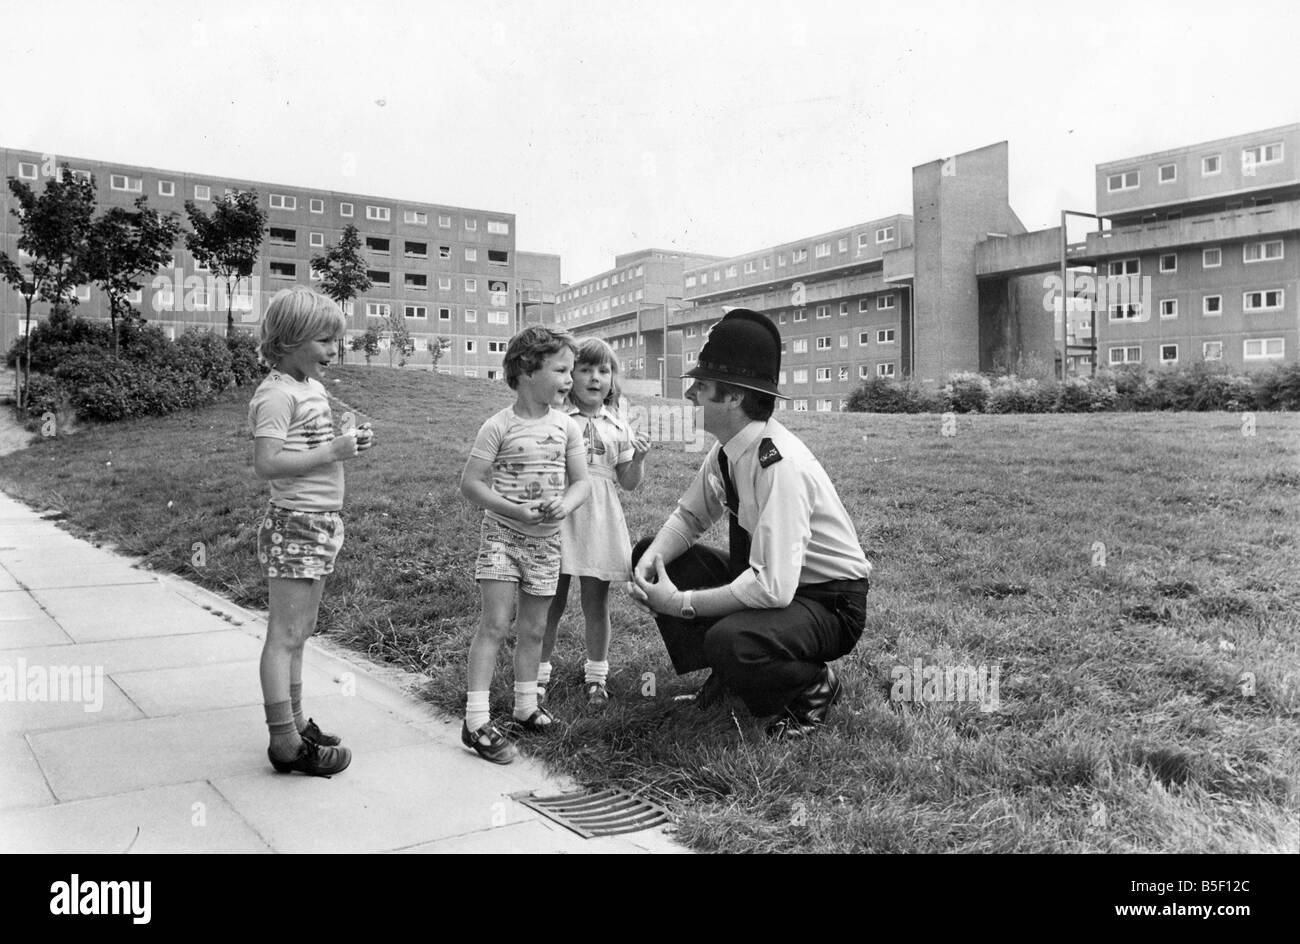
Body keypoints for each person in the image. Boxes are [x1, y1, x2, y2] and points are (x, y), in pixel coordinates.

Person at [629, 308, 871, 739]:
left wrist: (679, 603)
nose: (690, 398)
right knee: (660, 553)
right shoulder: (727, 451)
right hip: (782, 588)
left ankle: (812, 687)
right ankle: (730, 678)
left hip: (828, 603)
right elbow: (690, 515)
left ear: (735, 398)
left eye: (701, 387)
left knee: (731, 638)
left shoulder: (779, 463)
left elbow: (772, 588)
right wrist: (650, 562)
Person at [249, 287, 374, 776]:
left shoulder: (310, 389)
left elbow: (319, 443)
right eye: (324, 340)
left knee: (300, 634)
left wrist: (350, 440)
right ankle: (284, 742)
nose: (332, 350)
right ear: (291, 339)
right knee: (284, 635)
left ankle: (296, 723)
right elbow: (266, 464)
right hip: (295, 525)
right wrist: (334, 452)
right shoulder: (277, 394)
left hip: (321, 523)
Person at [459, 326, 591, 763]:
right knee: (495, 625)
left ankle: (524, 706)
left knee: (534, 630)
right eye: (561, 369)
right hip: (502, 535)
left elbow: (582, 483)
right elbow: (472, 485)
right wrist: (513, 510)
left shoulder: (567, 428)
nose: (570, 379)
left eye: (571, 370)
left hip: (546, 543)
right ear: (526, 370)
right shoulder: (498, 426)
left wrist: (565, 505)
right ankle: (476, 719)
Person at [540, 338, 651, 706]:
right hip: (561, 513)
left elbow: (629, 483)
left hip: (599, 517)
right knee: (549, 600)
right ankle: (537, 675)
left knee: (596, 601)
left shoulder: (618, 425)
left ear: (612, 379)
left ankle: (596, 678)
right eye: (585, 369)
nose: (594, 377)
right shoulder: (555, 418)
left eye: (603, 371)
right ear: (570, 374)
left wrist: (638, 460)